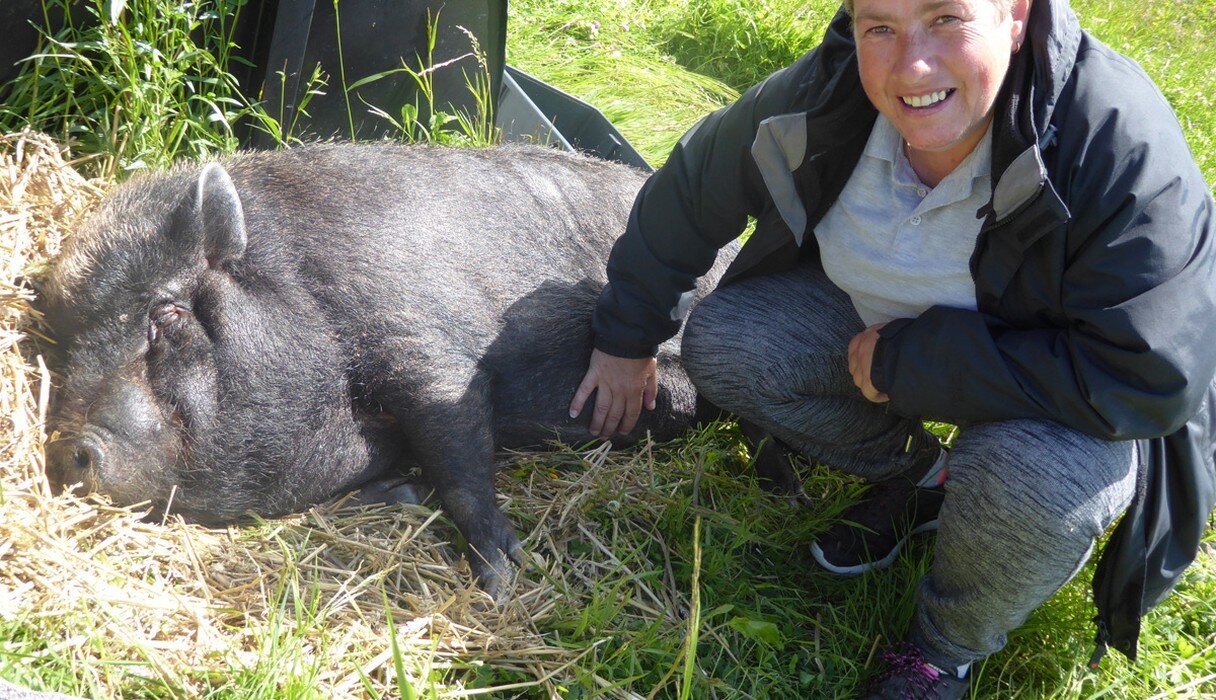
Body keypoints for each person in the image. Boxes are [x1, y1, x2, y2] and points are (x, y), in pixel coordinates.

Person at [568, 0, 1216, 697]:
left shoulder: (1115, 144)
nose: (911, 66)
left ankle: (942, 653)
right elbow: (694, 187)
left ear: (1017, 17)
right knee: (730, 343)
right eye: (880, 25)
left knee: (1032, 481)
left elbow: (1148, 373)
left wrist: (911, 364)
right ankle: (923, 483)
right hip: (880, 329)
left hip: (1065, 390)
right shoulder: (827, 94)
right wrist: (627, 338)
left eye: (947, 19)